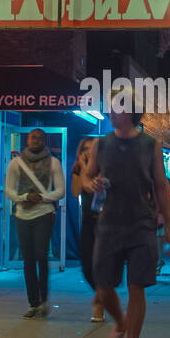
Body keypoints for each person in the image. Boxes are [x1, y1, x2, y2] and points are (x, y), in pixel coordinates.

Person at [83, 95, 170, 338]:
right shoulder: (101, 144)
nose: (112, 113)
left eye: (117, 109)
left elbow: (160, 185)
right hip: (109, 224)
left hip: (141, 225)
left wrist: (168, 226)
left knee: (137, 288)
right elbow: (86, 178)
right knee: (103, 287)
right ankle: (120, 323)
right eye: (111, 109)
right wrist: (92, 183)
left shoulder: (150, 145)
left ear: (130, 113)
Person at [5, 128, 65, 318]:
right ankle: (33, 303)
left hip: (44, 214)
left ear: (44, 141)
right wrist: (23, 197)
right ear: (27, 140)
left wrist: (40, 198)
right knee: (28, 260)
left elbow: (60, 191)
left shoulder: (54, 163)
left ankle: (44, 299)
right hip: (22, 215)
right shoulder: (16, 163)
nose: (36, 141)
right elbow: (9, 190)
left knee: (41, 256)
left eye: (39, 138)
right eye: (33, 137)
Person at [72, 135, 103, 322]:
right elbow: (76, 191)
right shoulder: (78, 169)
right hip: (88, 221)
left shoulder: (104, 170)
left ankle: (99, 305)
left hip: (105, 222)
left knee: (101, 265)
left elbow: (91, 187)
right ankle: (102, 294)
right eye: (85, 149)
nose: (88, 152)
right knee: (86, 266)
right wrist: (81, 169)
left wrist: (85, 168)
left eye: (91, 149)